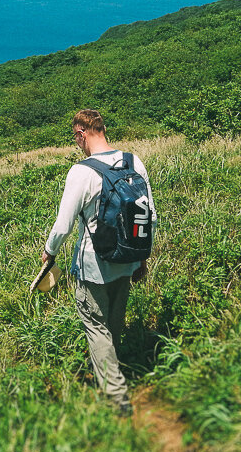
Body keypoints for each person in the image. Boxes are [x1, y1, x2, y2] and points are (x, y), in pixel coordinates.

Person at [42, 109, 156, 416]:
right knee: (114, 323)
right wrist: (142, 258)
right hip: (129, 257)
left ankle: (116, 398)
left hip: (95, 263)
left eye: (75, 137)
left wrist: (49, 252)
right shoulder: (135, 162)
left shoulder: (81, 171)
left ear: (81, 134)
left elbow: (63, 225)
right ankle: (113, 373)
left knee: (96, 326)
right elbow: (150, 216)